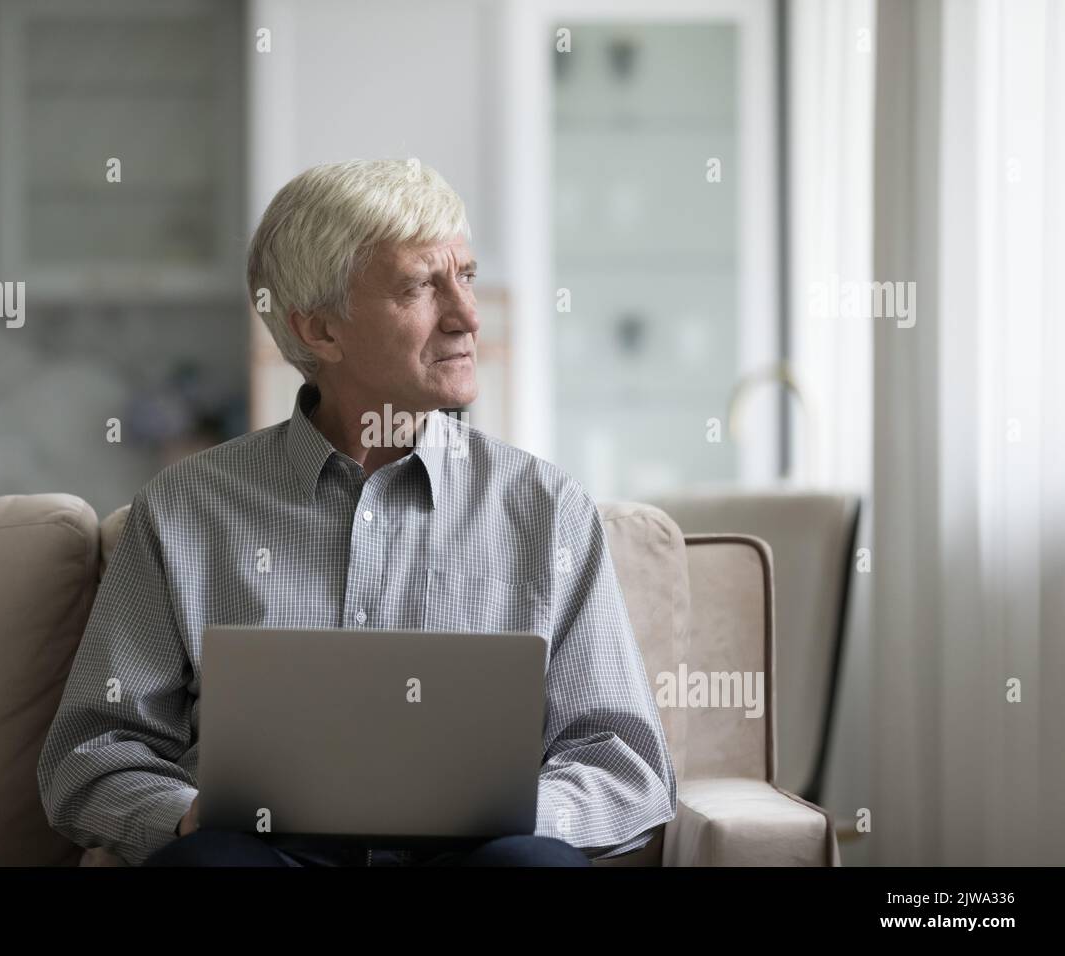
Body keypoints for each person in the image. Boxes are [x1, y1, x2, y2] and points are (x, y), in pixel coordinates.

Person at [37, 158, 676, 867]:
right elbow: (92, 753)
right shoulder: (183, 510)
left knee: (533, 865)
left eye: (463, 275)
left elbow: (624, 761)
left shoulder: (546, 510)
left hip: (476, 863)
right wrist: (182, 818)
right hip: (264, 861)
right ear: (320, 331)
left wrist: (527, 817)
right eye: (420, 287)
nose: (467, 316)